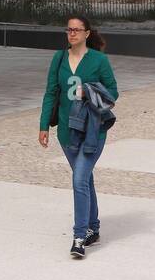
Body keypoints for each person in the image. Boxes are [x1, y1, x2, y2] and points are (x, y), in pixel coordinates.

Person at [38, 13, 118, 260]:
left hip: (93, 131)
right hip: (66, 131)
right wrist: (43, 126)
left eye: (76, 30)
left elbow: (113, 92)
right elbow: (51, 92)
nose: (71, 34)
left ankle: (79, 236)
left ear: (87, 33)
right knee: (84, 180)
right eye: (68, 30)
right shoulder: (59, 58)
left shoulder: (99, 60)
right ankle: (93, 226)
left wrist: (89, 91)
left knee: (79, 179)